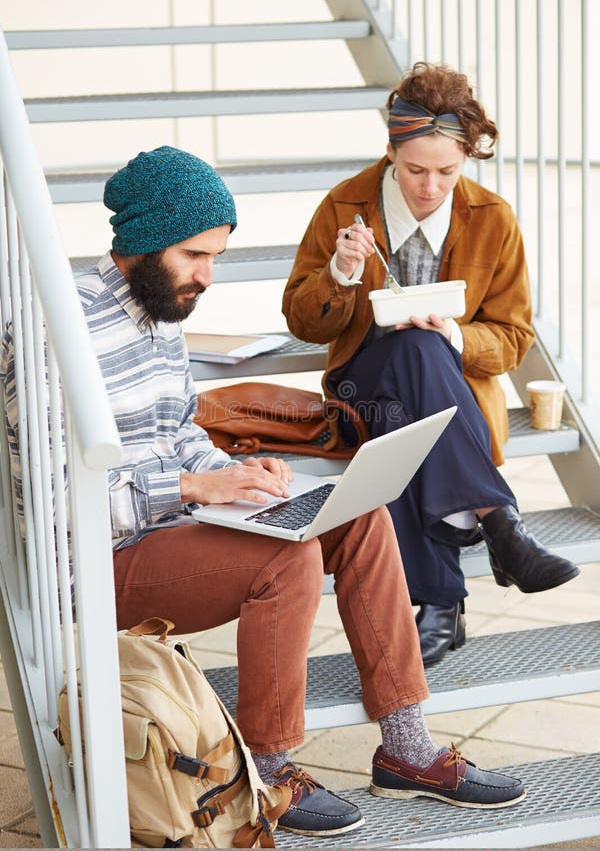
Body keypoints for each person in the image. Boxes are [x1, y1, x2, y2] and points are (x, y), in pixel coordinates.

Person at [0, 145, 529, 837]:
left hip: (168, 530)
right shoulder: (54, 334)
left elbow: (179, 430)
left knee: (356, 516)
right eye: (195, 256)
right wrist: (194, 484)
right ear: (143, 242)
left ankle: (406, 749)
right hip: (98, 565)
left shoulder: (159, 314)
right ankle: (272, 773)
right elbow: (52, 498)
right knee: (288, 560)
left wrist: (240, 476)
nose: (207, 276)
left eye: (215, 256)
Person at [282, 62, 580, 669]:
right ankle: (501, 525)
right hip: (360, 381)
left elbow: (513, 337)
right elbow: (303, 321)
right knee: (407, 363)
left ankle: (439, 601)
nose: (430, 186)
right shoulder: (345, 206)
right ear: (391, 152)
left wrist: (457, 338)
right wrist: (339, 272)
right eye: (415, 169)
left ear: (467, 156)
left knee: (415, 387)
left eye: (448, 170)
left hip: (447, 393)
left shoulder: (492, 217)